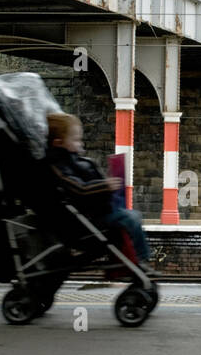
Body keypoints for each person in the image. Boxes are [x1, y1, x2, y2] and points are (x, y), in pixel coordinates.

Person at [45, 113, 157, 275]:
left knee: (131, 217)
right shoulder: (57, 166)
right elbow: (78, 188)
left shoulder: (75, 161)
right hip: (86, 222)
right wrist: (105, 185)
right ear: (58, 143)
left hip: (96, 214)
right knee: (130, 218)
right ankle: (140, 261)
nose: (80, 144)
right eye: (76, 140)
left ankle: (129, 262)